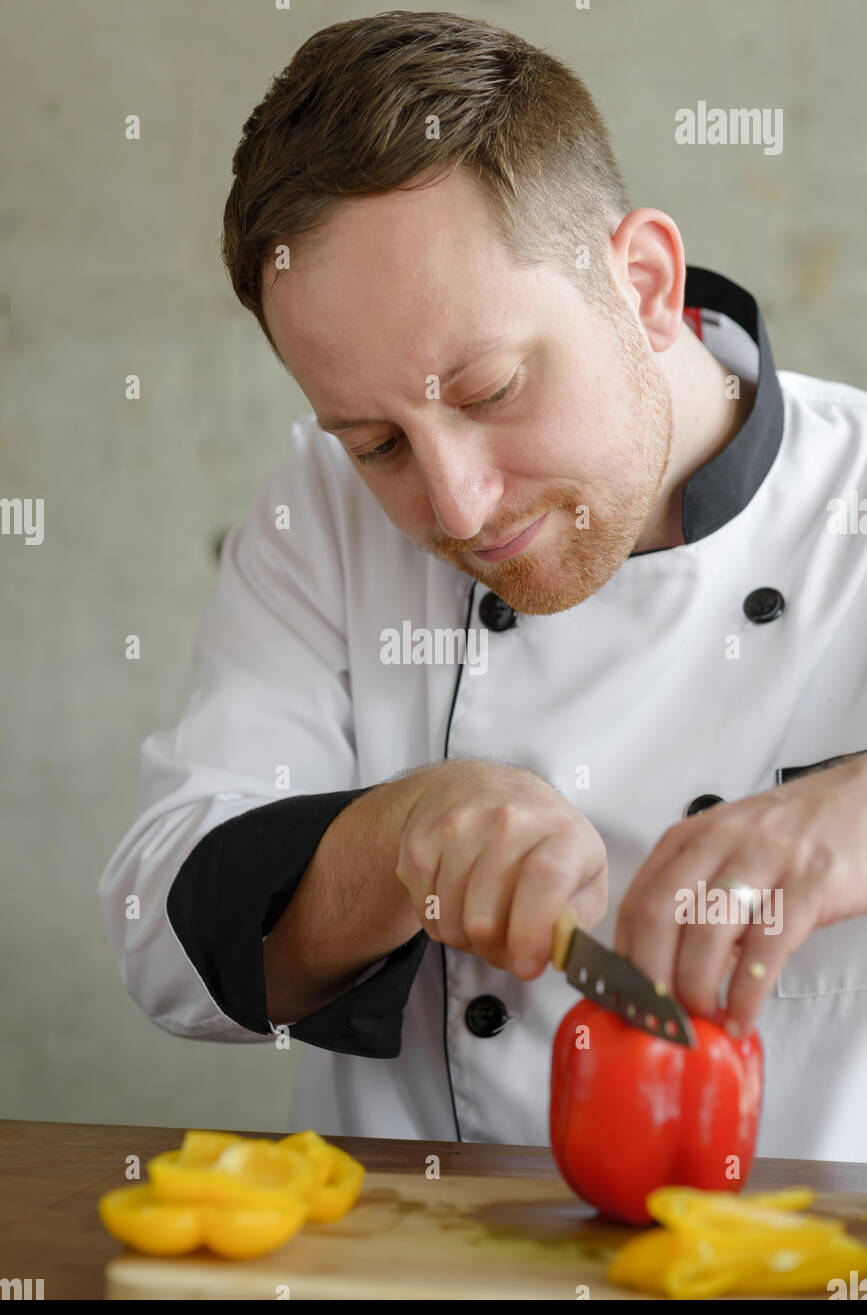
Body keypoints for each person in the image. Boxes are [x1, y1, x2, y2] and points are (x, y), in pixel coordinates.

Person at [99, 12, 867, 1159]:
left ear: (647, 283)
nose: (455, 508)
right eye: (379, 444)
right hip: (414, 1258)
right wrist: (392, 839)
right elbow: (166, 944)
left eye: (492, 389)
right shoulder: (316, 507)